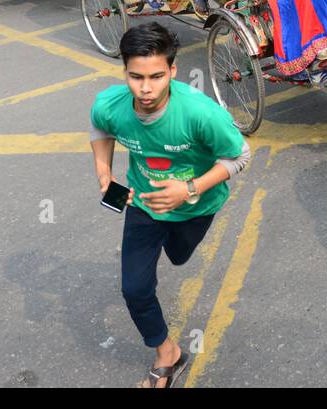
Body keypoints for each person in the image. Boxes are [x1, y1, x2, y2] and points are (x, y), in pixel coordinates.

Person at [90, 23, 251, 389]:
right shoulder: (110, 105)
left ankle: (174, 240)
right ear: (125, 72)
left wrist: (189, 188)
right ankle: (168, 354)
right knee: (135, 288)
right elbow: (100, 128)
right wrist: (104, 172)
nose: (146, 89)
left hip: (197, 207)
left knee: (178, 256)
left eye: (157, 77)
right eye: (136, 77)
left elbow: (240, 155)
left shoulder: (200, 113)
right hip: (144, 205)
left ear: (173, 71)